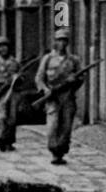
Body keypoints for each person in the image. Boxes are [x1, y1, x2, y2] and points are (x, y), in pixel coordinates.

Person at [35, 28, 82, 164]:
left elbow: (81, 78)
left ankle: (61, 152)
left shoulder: (74, 60)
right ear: (55, 42)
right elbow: (39, 78)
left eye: (64, 40)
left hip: (68, 98)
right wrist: (45, 90)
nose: (61, 43)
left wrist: (74, 82)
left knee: (66, 127)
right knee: (52, 127)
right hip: (52, 98)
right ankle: (54, 151)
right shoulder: (48, 58)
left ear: (67, 42)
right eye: (59, 40)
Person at [0, 36, 21, 152]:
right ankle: (0, 139)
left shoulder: (15, 62)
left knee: (12, 118)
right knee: (1, 117)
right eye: (0, 47)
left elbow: (22, 78)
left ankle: (9, 142)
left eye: (5, 46)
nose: (3, 49)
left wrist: (17, 78)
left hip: (12, 92)